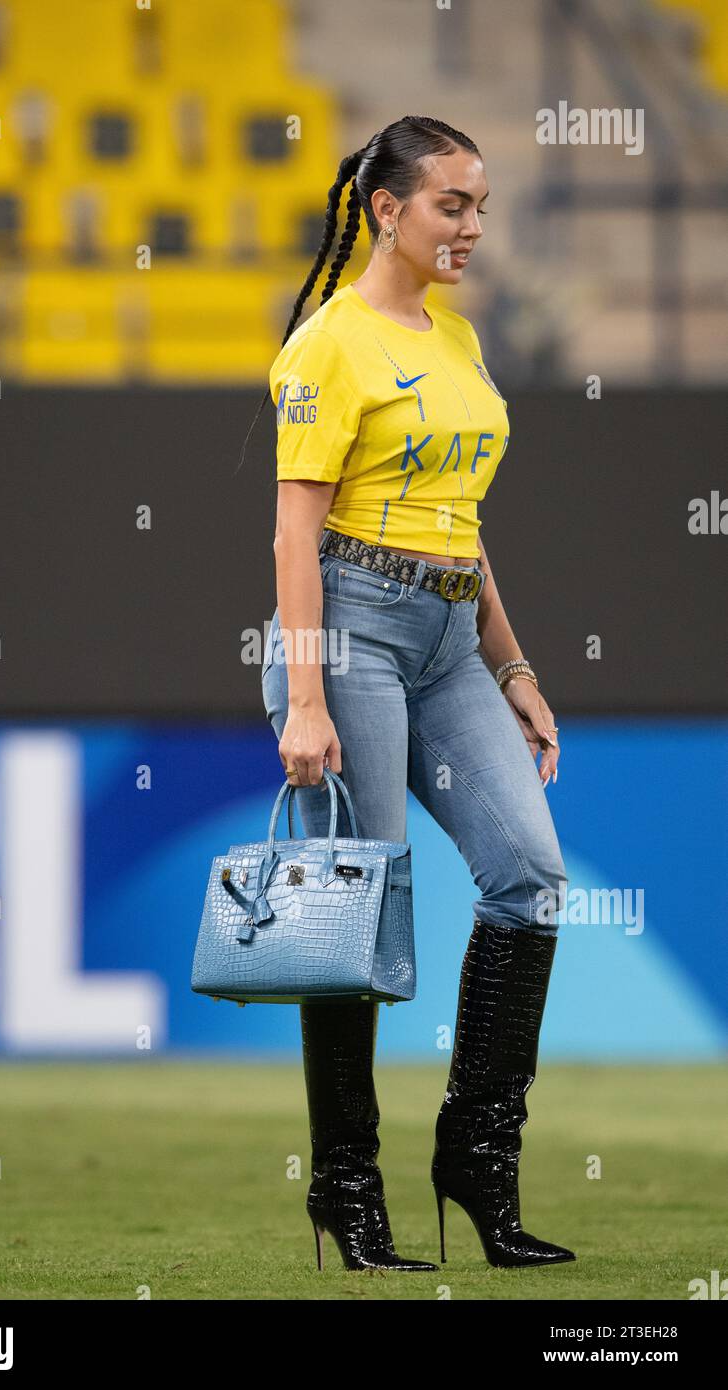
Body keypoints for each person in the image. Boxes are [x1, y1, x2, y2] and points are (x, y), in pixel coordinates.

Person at [246, 116, 575, 1273]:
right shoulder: (326, 346)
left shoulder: (456, 337)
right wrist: (305, 696)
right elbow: (294, 534)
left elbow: (464, 526)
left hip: (446, 634)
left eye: (480, 206)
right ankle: (345, 1185)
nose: (471, 227)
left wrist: (513, 665)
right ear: (386, 209)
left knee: (529, 876)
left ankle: (475, 1160)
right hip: (351, 628)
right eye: (450, 205)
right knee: (359, 918)